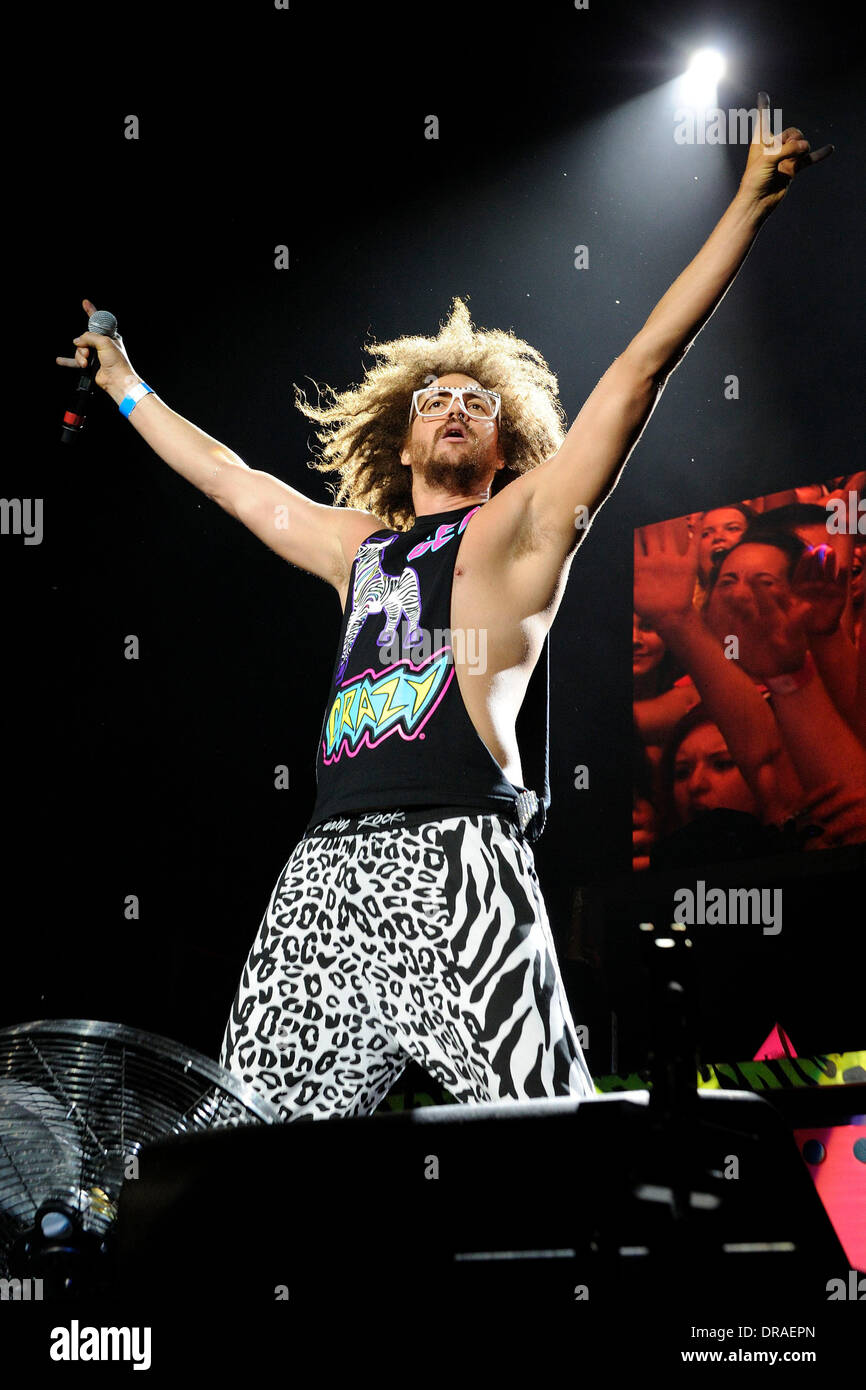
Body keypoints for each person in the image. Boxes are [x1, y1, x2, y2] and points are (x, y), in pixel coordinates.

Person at [57, 94, 832, 1121]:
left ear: (504, 443)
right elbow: (231, 478)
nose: (455, 405)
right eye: (434, 398)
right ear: (400, 440)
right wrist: (122, 380)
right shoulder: (356, 550)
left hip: (460, 859)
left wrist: (744, 206)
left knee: (554, 1140)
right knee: (246, 1153)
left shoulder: (523, 527)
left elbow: (640, 365)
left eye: (477, 399)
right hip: (325, 873)